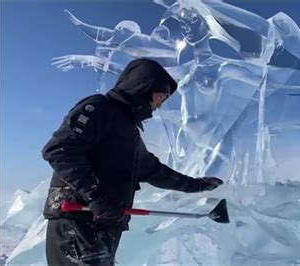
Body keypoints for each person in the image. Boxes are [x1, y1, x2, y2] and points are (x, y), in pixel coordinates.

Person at [42, 58, 223, 265]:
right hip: (76, 221)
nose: (160, 104)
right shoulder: (99, 109)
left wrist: (196, 185)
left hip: (104, 225)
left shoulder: (129, 131)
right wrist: (97, 197)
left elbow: (152, 170)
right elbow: (60, 150)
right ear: (144, 86)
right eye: (161, 96)